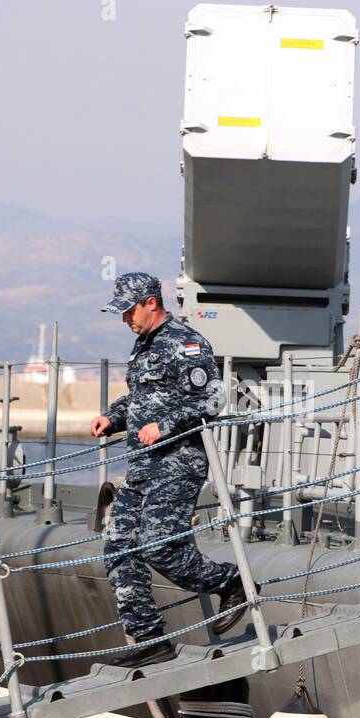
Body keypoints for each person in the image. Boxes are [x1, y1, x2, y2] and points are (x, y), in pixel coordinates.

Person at [90, 272, 245, 668]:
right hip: (142, 464)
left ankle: (230, 582)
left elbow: (212, 400)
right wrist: (113, 418)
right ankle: (148, 637)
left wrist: (165, 426)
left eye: (128, 310)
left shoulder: (186, 344)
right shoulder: (142, 346)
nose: (125, 318)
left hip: (178, 462)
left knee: (160, 544)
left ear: (151, 303)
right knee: (119, 544)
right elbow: (143, 399)